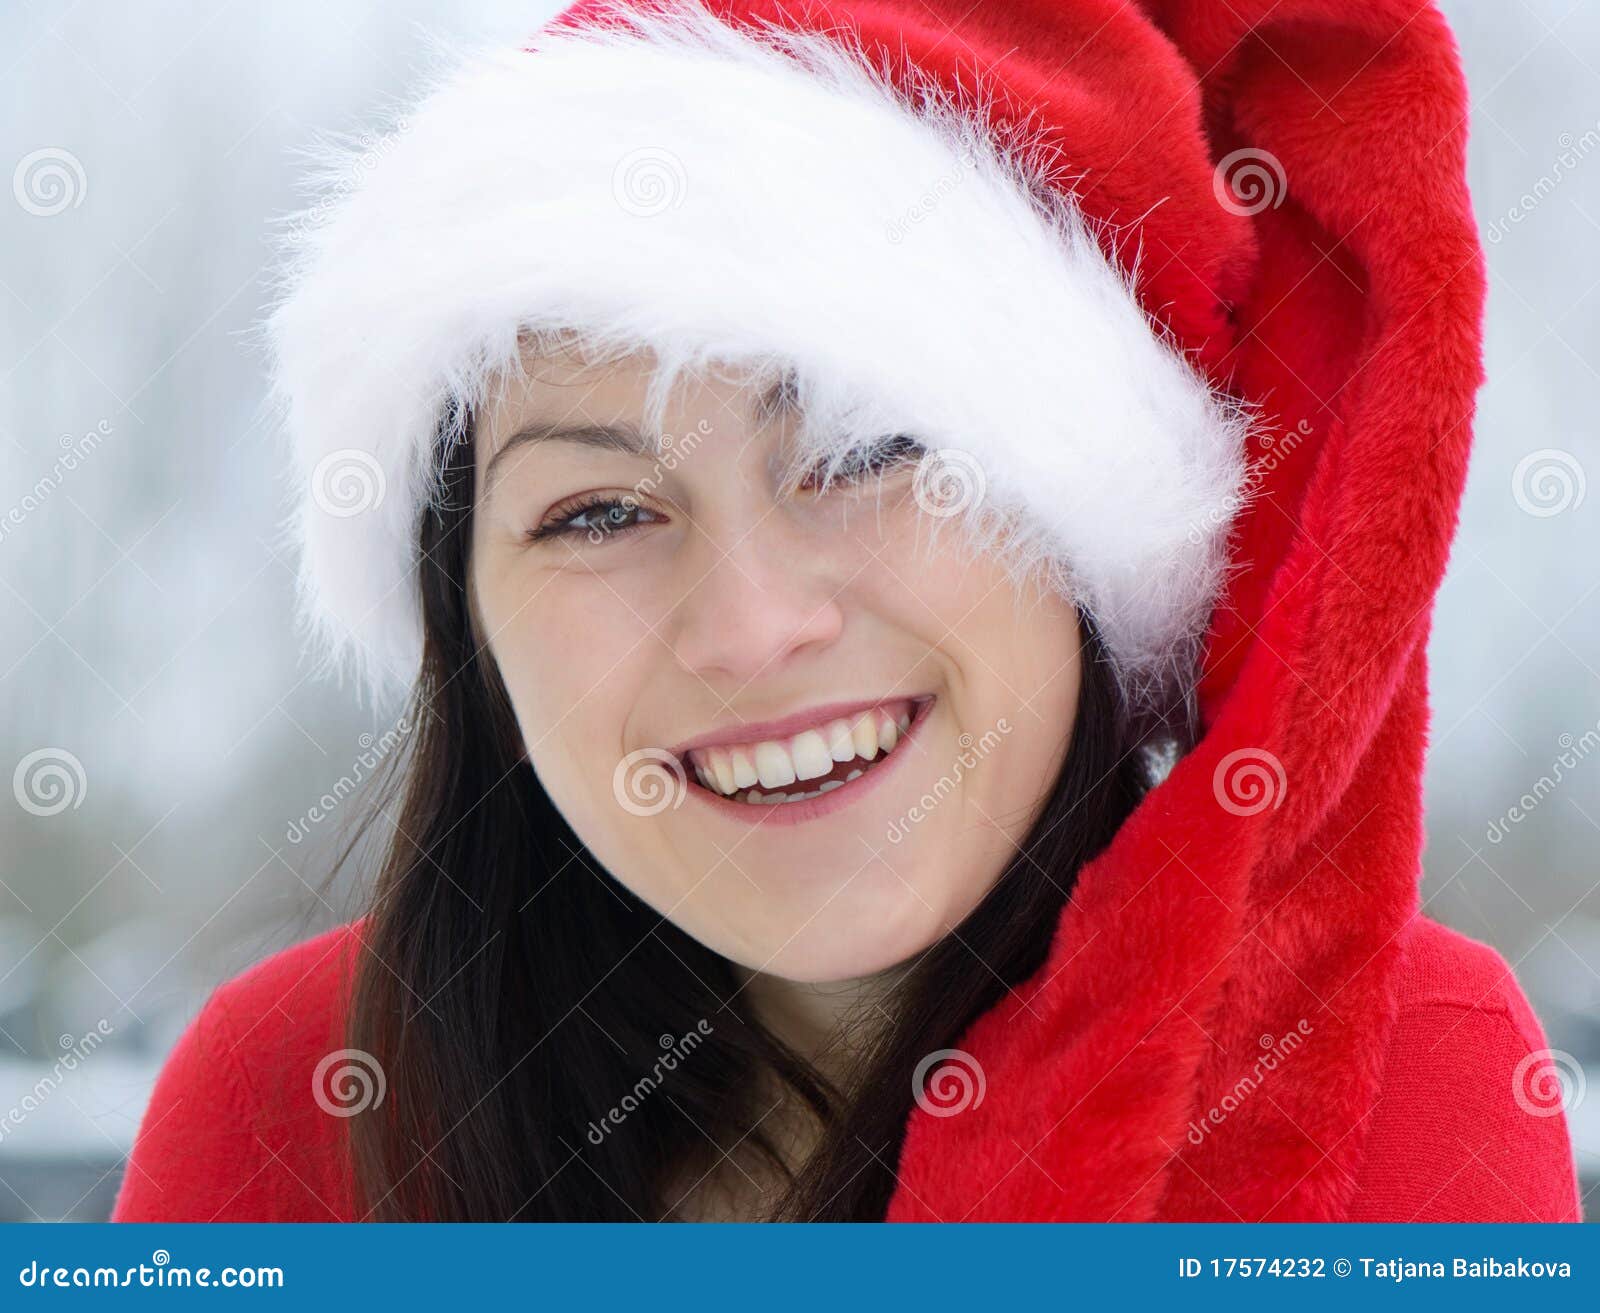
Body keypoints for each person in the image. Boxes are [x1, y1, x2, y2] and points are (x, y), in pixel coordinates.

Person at [113, 0, 1582, 1222]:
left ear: (1079, 530)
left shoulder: (1406, 1077)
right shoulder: (287, 1100)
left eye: (871, 451)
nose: (749, 626)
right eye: (600, 513)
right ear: (472, 626)